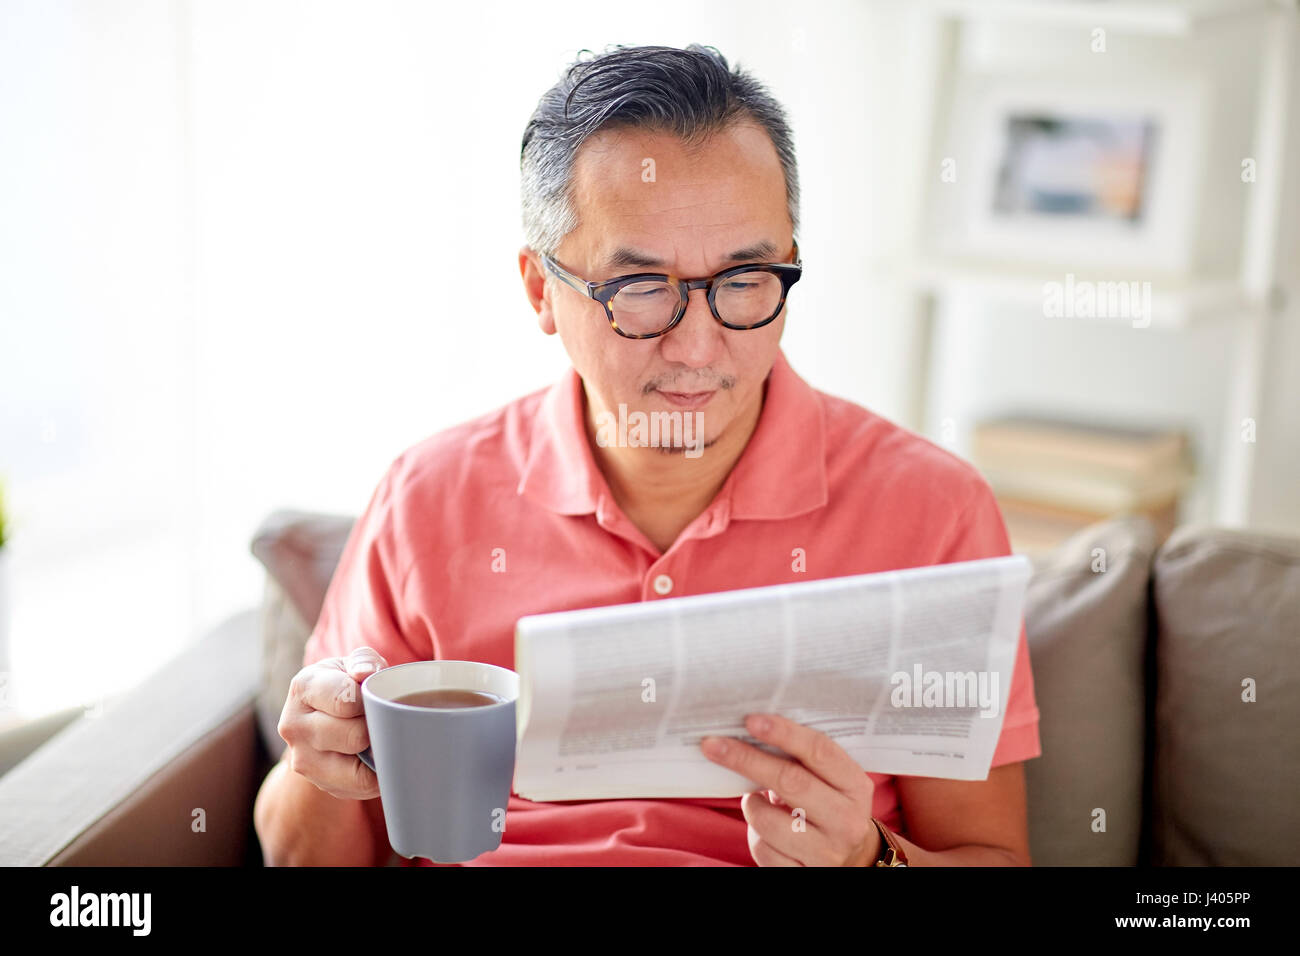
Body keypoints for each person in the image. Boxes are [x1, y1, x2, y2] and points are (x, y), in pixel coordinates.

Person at [254, 43, 1040, 867]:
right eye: (642, 289)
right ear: (539, 291)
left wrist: (868, 860)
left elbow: (992, 856)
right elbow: (305, 856)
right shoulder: (428, 498)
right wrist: (321, 766)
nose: (699, 347)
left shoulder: (932, 510)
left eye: (744, 279)